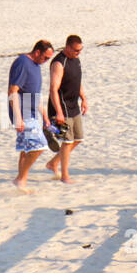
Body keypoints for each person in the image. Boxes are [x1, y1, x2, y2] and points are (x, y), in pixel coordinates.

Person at [9, 40, 57, 193]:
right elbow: (13, 91)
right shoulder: (22, 63)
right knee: (40, 145)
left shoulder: (36, 66)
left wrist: (45, 116)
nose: (46, 61)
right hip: (23, 113)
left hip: (31, 112)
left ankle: (21, 181)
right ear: (37, 52)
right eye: (45, 58)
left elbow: (34, 94)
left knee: (27, 149)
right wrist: (17, 117)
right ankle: (20, 179)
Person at [45, 35, 87, 184]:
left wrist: (84, 98)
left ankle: (53, 163)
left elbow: (77, 80)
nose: (78, 53)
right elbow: (53, 89)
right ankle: (65, 175)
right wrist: (59, 112)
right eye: (76, 50)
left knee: (78, 139)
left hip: (74, 104)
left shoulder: (76, 60)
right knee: (67, 141)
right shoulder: (58, 62)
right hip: (62, 106)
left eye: (80, 50)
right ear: (67, 47)